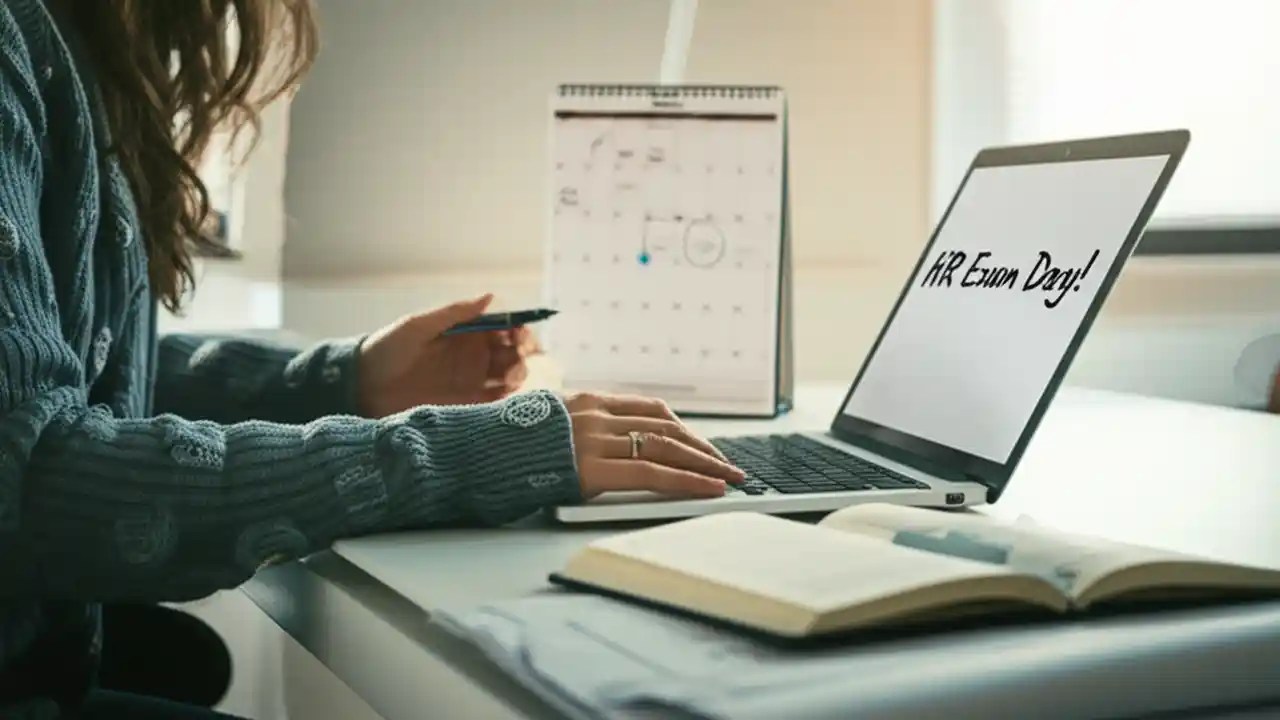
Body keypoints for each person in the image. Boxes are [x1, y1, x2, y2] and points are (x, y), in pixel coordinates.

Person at [0, 0, 746, 717]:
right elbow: (37, 483)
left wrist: (343, 381)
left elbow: (92, 381)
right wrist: (477, 452)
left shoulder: (83, 32)